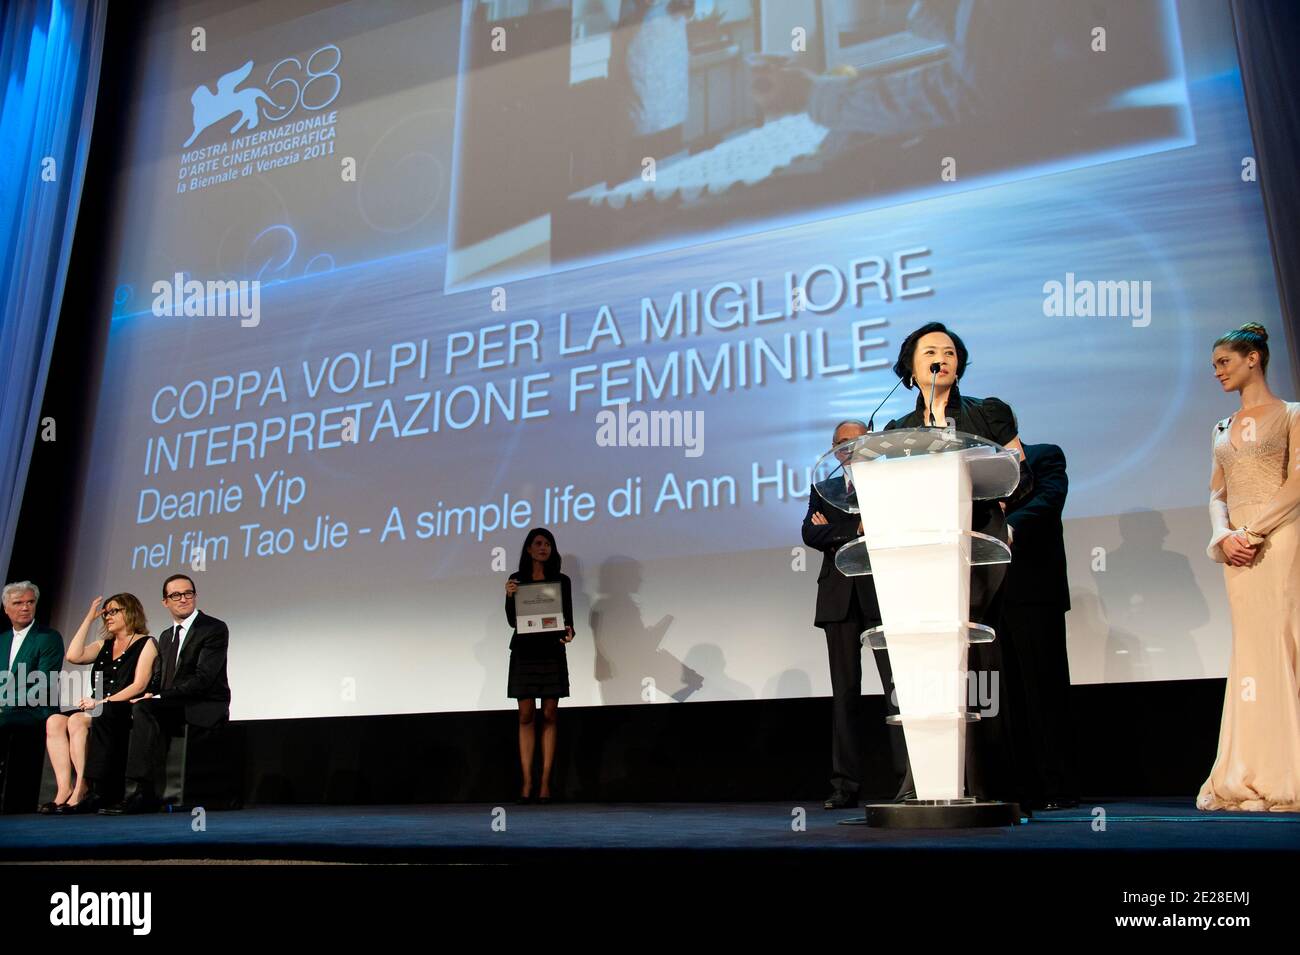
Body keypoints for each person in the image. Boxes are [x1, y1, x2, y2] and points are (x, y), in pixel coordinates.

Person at [883, 321, 1032, 801]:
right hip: (918, 549)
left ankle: (987, 781)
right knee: (926, 652)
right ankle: (926, 780)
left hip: (976, 542)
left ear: (959, 364)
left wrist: (1003, 503)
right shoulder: (895, 431)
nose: (940, 358)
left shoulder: (988, 414)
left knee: (975, 650)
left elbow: (1021, 475)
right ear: (911, 365)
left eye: (949, 352)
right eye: (929, 351)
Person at [1199, 322, 1300, 812]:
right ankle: (1247, 770)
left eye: (1224, 362)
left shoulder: (1292, 414)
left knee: (1283, 643)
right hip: (1236, 552)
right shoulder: (1220, 427)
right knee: (1250, 656)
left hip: (1279, 541)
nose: (1217, 372)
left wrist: (1253, 531)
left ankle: (1286, 772)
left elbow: (1297, 484)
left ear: (1253, 358)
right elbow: (1216, 493)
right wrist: (1224, 536)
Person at [804, 420, 911, 809]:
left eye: (857, 441)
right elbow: (809, 534)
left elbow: (890, 527)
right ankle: (845, 785)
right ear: (832, 447)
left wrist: (837, 529)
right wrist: (858, 527)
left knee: (896, 691)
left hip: (882, 594)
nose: (848, 448)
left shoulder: (890, 481)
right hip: (838, 600)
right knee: (844, 694)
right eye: (841, 443)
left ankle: (908, 780)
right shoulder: (825, 487)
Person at [98, 574, 231, 814]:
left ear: (195, 596)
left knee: (144, 708)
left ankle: (142, 791)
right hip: (172, 704)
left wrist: (158, 698)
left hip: (203, 704)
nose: (183, 599)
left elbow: (203, 680)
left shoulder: (213, 628)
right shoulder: (166, 636)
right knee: (112, 709)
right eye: (175, 595)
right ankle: (102, 791)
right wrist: (151, 693)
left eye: (188, 593)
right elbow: (161, 679)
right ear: (165, 602)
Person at [999, 442, 1078, 811]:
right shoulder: (977, 467)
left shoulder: (1045, 455)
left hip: (1034, 591)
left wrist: (1008, 524)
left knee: (1043, 691)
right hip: (990, 596)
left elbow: (1050, 499)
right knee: (1005, 698)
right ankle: (1020, 786)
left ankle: (1057, 786)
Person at [53, 594, 156, 813]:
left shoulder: (146, 643)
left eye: (113, 611)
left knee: (76, 720)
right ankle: (64, 789)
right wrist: (89, 619)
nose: (107, 617)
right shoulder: (104, 644)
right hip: (98, 705)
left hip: (122, 706)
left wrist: (102, 701)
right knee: (54, 721)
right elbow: (73, 655)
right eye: (105, 613)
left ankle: (83, 787)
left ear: (130, 612)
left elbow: (139, 685)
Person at [504, 528, 575, 804]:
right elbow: (512, 621)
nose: (543, 547)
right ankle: (527, 781)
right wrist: (510, 596)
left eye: (548, 543)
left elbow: (567, 618)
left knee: (549, 714)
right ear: (529, 549)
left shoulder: (561, 580)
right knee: (525, 715)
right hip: (524, 651)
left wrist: (569, 631)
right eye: (538, 543)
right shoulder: (516, 580)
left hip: (551, 651)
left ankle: (545, 783)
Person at [0, 581, 63, 813]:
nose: (25, 607)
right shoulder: (2, 640)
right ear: (6, 608)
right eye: (18, 603)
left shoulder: (48, 637)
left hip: (36, 709)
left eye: (30, 602)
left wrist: (5, 703)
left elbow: (43, 682)